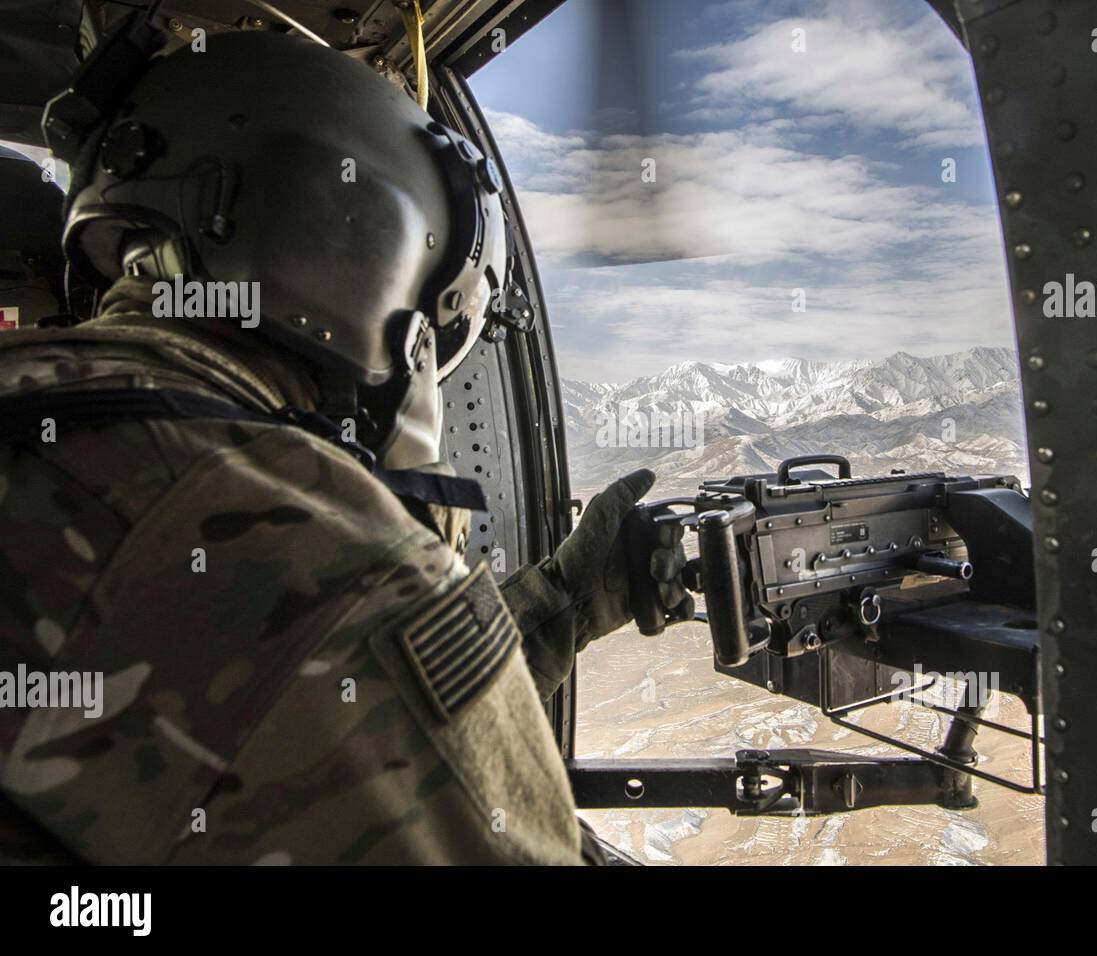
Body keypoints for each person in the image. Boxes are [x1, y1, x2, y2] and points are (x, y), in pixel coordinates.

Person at [0, 26, 689, 864]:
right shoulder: (308, 557)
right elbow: (337, 679)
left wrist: (566, 605)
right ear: (378, 267)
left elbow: (295, 714)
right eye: (435, 341)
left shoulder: (55, 409)